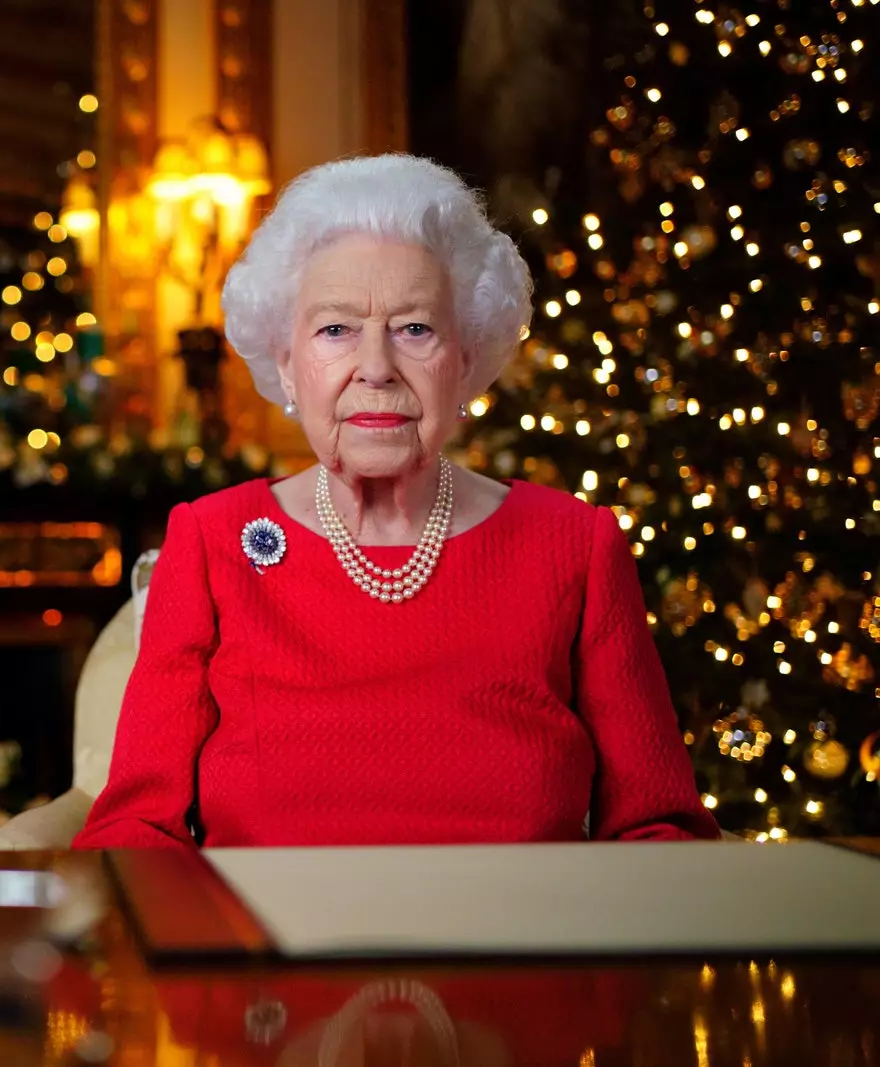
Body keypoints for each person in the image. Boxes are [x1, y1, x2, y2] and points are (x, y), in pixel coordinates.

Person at [73, 154, 720, 850]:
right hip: (272, 951)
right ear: (287, 362)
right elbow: (135, 831)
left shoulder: (572, 544)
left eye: (415, 329)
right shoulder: (213, 540)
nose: (376, 367)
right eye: (335, 330)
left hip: (516, 950)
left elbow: (659, 827)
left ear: (466, 359)